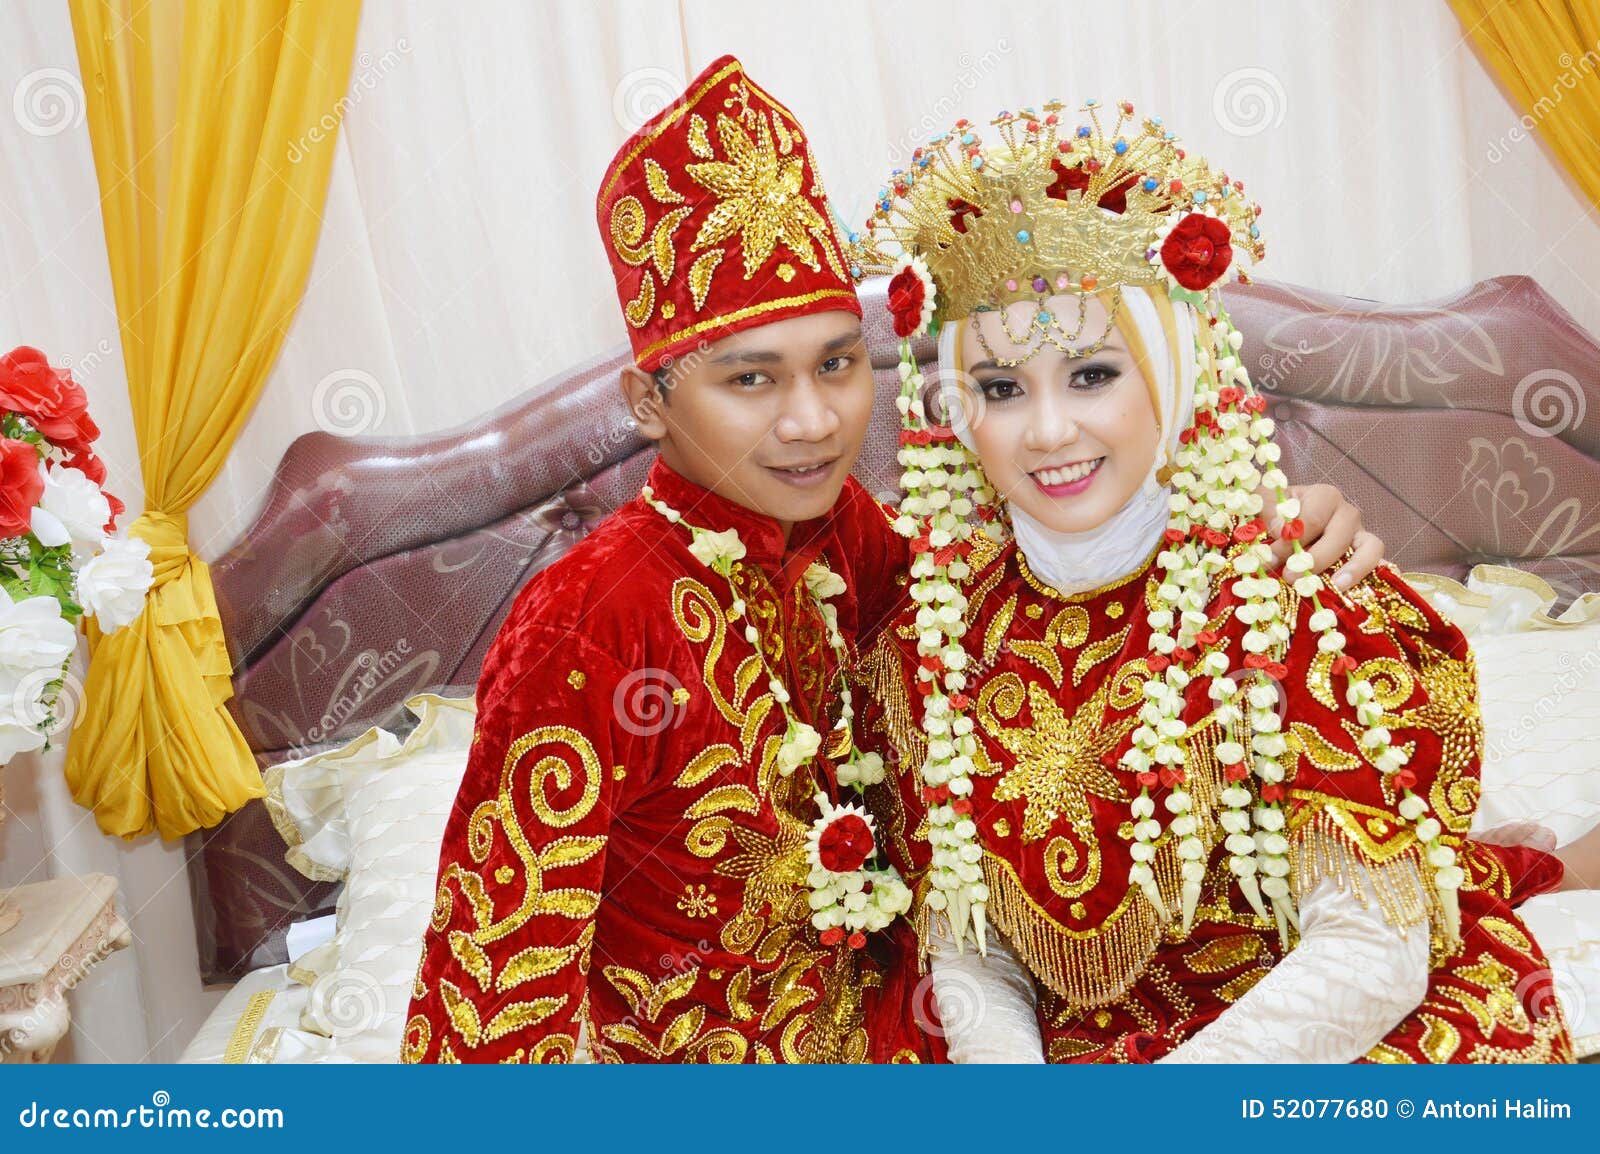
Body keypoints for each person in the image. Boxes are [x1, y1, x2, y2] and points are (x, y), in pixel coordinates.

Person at [402, 61, 1373, 1064]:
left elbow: (1054, 582)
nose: (813, 421)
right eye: (750, 379)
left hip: (919, 1037)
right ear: (648, 403)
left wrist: (1255, 520)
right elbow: (490, 987)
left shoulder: (848, 535)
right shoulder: (590, 616)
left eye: (833, 362)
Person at [857, 99, 1583, 1063]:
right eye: (999, 389)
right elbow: (970, 945)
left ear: (1174, 373)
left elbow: (1372, 950)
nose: (1045, 433)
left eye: (1091, 375)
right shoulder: (935, 636)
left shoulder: (1293, 590)